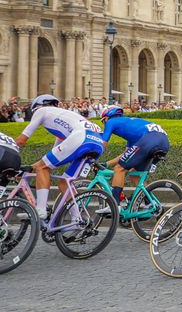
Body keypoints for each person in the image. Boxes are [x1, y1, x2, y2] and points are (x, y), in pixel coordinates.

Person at [13, 95, 105, 223]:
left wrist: (9, 155)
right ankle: (77, 220)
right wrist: (30, 168)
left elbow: (22, 140)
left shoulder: (41, 111)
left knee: (42, 168)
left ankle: (40, 211)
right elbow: (51, 157)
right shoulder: (65, 118)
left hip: (81, 137)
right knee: (64, 182)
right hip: (98, 143)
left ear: (37, 107)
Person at [95, 104, 171, 209]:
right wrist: (106, 164)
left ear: (107, 117)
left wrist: (92, 158)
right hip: (164, 142)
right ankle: (150, 203)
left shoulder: (111, 122)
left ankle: (114, 205)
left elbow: (103, 143)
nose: (105, 123)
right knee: (133, 174)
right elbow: (125, 155)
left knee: (119, 169)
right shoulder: (132, 128)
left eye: (103, 121)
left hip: (149, 140)